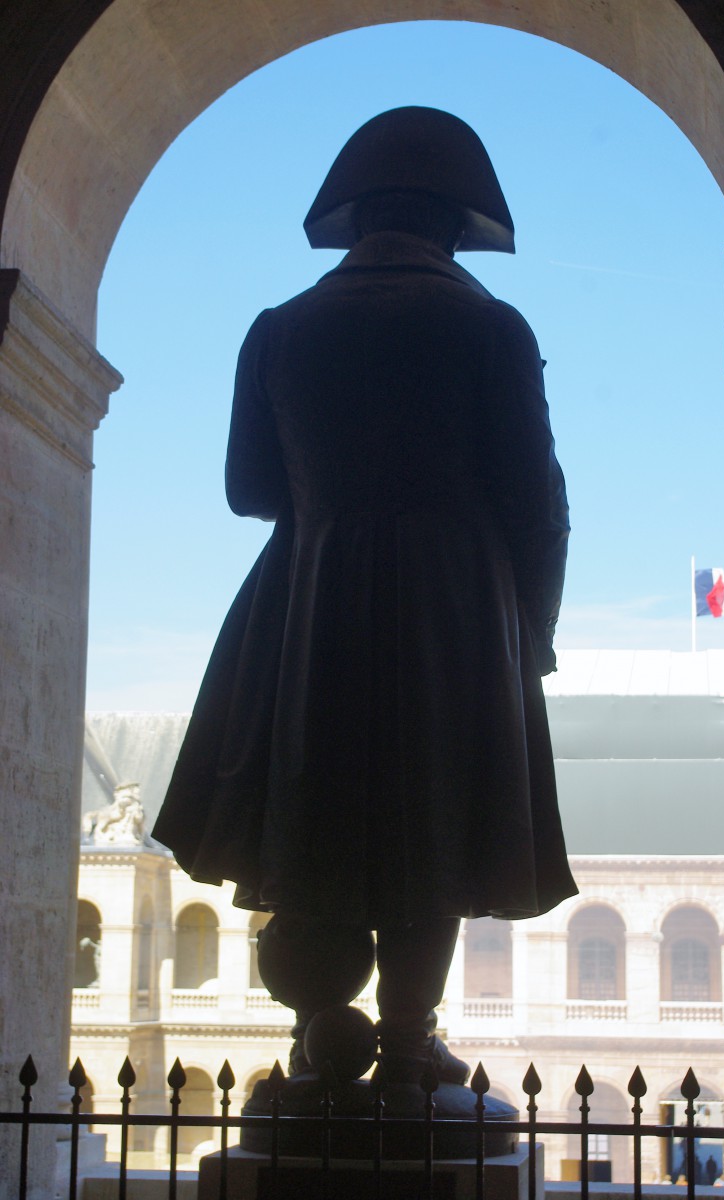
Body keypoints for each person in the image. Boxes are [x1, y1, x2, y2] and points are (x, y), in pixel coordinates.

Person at [152, 107, 577, 1084]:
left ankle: (318, 1030)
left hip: (307, 599)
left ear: (355, 218)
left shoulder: (278, 329)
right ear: (451, 224)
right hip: (453, 609)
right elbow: (536, 503)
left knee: (311, 812)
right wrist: (531, 634)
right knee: (429, 815)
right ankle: (403, 1039)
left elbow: (247, 491)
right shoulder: (489, 326)